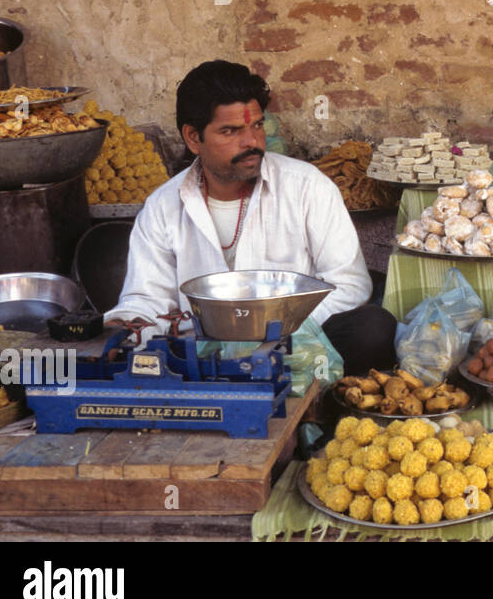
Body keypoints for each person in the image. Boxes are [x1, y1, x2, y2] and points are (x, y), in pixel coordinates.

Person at [104, 60, 397, 374]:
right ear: (192, 138)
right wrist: (128, 327)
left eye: (256, 125)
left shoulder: (307, 187)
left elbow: (348, 285)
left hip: (293, 345)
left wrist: (270, 334)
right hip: (203, 354)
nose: (252, 142)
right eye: (230, 131)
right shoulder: (163, 206)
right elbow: (147, 298)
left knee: (373, 329)